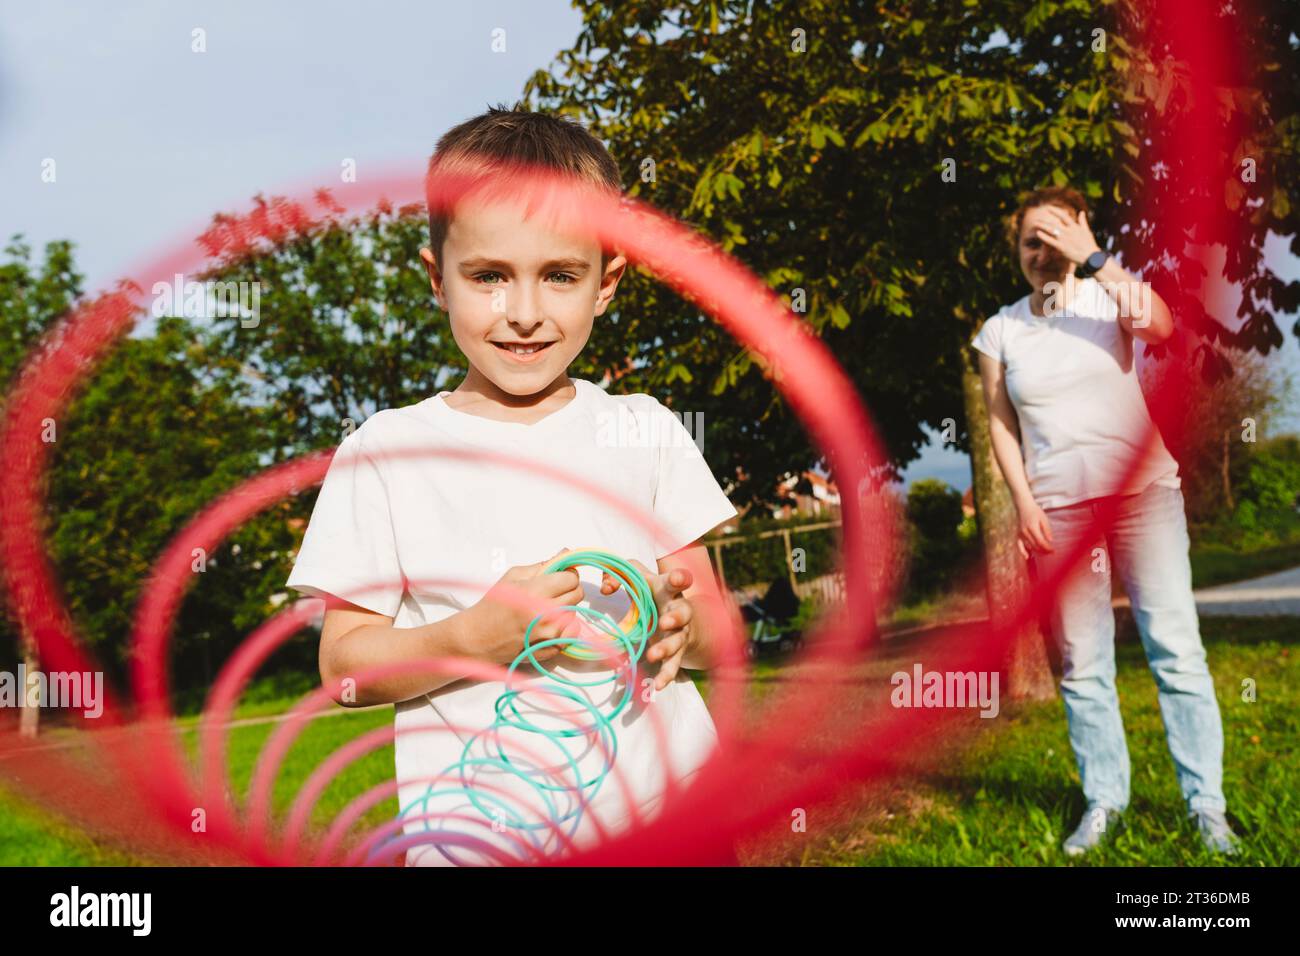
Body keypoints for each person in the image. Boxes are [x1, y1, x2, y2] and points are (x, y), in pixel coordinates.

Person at [286, 106, 739, 866]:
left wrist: (682, 631)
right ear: (439, 280)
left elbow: (722, 637)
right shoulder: (386, 452)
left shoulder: (645, 427)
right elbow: (344, 670)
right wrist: (472, 638)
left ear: (606, 281)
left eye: (560, 276)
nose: (524, 313)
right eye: (489, 276)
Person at [971, 185, 1240, 857]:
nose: (1043, 251)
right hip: (1057, 510)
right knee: (1083, 663)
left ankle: (1207, 806)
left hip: (1142, 496)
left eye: (1054, 235)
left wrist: (1093, 258)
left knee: (1175, 649)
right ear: (1017, 253)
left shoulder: (1109, 296)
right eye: (1031, 240)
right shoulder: (1001, 329)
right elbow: (1001, 426)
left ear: (1082, 230)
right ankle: (1104, 801)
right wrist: (1024, 501)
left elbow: (1162, 327)